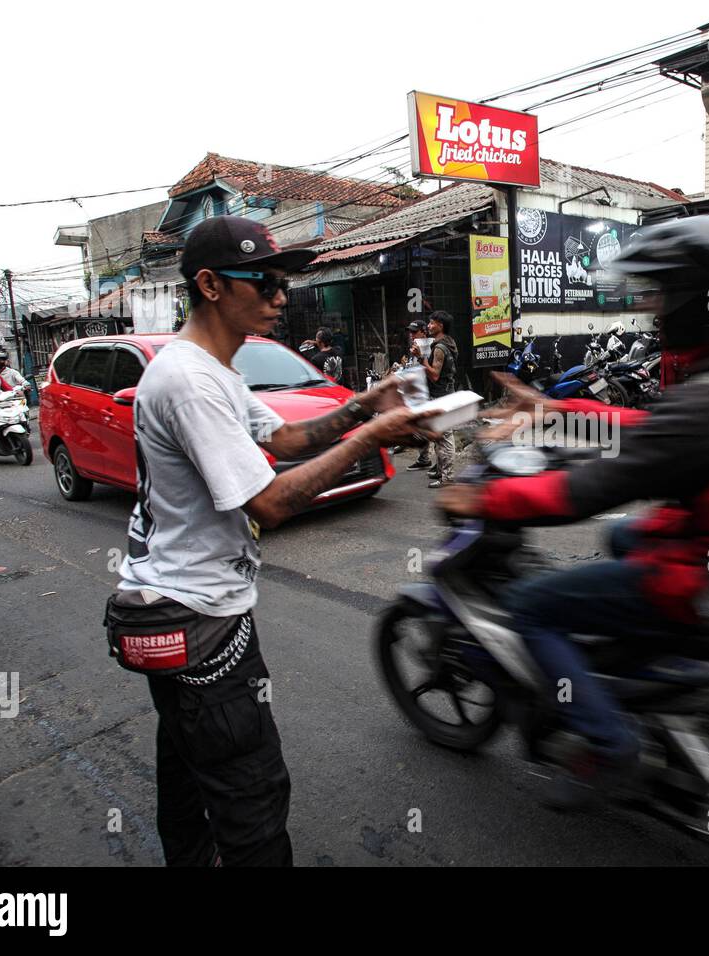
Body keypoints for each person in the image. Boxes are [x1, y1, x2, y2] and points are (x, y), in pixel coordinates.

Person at [437, 218, 709, 796]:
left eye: (662, 296)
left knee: (530, 606)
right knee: (621, 540)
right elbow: (649, 429)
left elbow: (585, 492)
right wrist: (555, 411)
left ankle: (612, 746)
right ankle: (640, 678)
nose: (655, 311)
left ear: (693, 301)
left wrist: (486, 497)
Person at [115, 215, 432, 867]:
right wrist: (370, 439)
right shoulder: (192, 381)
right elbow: (270, 502)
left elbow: (285, 439)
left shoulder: (216, 374)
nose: (280, 295)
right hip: (200, 618)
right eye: (263, 281)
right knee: (250, 798)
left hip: (169, 607)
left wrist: (365, 404)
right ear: (209, 284)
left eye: (283, 281)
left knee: (189, 780)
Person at [413, 310, 458, 488]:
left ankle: (448, 477)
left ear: (440, 325)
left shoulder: (439, 348)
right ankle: (441, 470)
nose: (429, 326)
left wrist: (421, 358)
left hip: (441, 395)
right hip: (445, 393)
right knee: (439, 435)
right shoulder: (448, 342)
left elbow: (434, 375)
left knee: (445, 436)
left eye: (432, 323)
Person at [401, 319, 435, 474]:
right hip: (417, 390)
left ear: (423, 331)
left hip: (428, 391)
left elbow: (429, 369)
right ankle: (424, 459)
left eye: (415, 331)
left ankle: (433, 461)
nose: (411, 334)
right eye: (410, 331)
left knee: (431, 428)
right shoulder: (416, 345)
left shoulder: (429, 346)